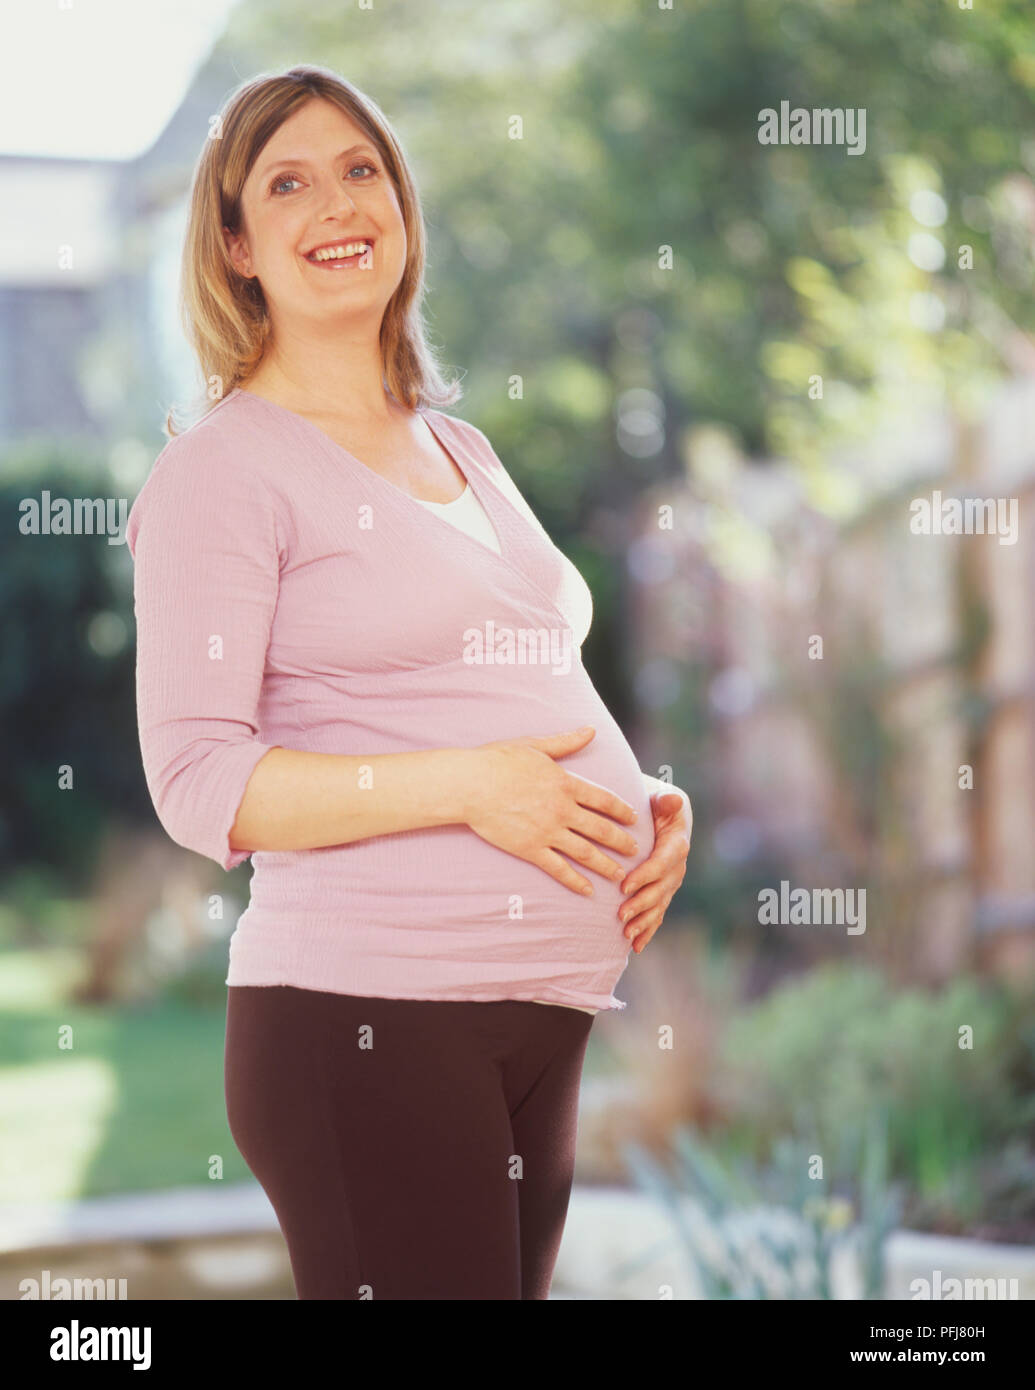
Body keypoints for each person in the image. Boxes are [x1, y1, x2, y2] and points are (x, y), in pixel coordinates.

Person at [127, 64, 692, 1300]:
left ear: (402, 207)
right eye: (288, 183)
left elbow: (513, 672)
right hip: (367, 1011)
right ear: (235, 246)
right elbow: (197, 780)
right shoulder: (222, 471)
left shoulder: (458, 444)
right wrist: (474, 789)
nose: (337, 204)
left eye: (361, 170)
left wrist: (645, 798)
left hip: (530, 1011)